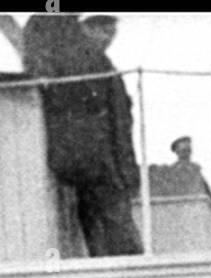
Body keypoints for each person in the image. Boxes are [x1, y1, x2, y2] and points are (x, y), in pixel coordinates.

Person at [23, 12, 142, 257]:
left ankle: (113, 268)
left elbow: (120, 124)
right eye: (103, 30)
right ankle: (126, 269)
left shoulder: (101, 67)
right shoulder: (80, 60)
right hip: (92, 159)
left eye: (111, 32)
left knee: (99, 220)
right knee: (113, 221)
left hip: (92, 159)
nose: (108, 38)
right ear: (85, 28)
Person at [168, 135, 211, 204]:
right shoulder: (172, 171)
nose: (187, 154)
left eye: (189, 150)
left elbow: (209, 195)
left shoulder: (195, 170)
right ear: (177, 152)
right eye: (184, 151)